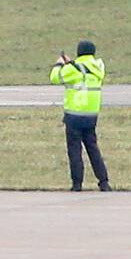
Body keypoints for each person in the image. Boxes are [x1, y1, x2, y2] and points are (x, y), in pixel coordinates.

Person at [50, 40, 110, 192]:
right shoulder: (98, 68)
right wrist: (71, 64)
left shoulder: (73, 69)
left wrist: (60, 64)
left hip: (74, 115)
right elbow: (83, 70)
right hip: (91, 115)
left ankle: (77, 184)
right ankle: (103, 181)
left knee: (74, 150)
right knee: (92, 148)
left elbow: (55, 78)